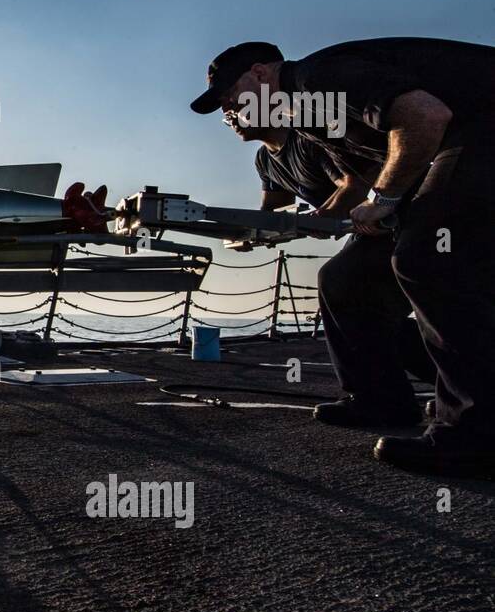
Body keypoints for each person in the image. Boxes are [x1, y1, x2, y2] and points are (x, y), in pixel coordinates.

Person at [190, 38, 495, 473]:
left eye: (230, 98)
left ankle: (478, 434)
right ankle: (379, 401)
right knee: (348, 278)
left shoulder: (318, 77)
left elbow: (425, 117)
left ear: (260, 74)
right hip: (458, 146)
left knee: (430, 257)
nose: (230, 111)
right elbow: (366, 168)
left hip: (481, 129)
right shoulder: (306, 115)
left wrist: (384, 200)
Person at [220, 67, 434, 425]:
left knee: (344, 286)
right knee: (363, 308)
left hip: (412, 213)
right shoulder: (266, 161)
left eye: (235, 108)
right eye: (227, 117)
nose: (232, 118)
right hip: (373, 231)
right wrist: (241, 235)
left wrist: (323, 215)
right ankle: (448, 384)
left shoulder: (311, 135)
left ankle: (383, 401)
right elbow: (272, 213)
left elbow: (357, 180)